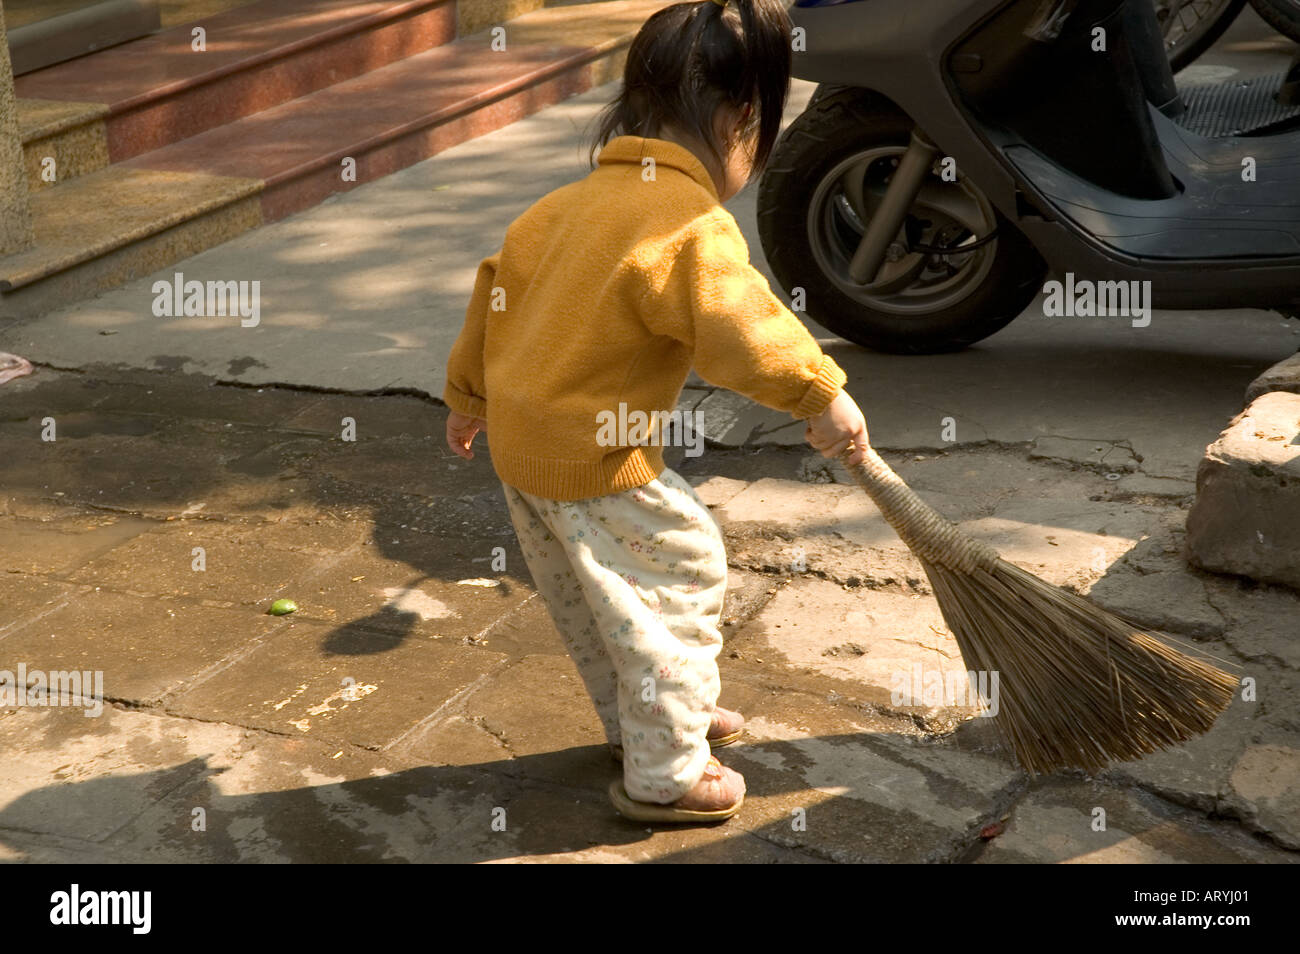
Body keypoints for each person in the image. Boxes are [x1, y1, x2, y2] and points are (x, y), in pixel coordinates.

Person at [443, 0, 869, 823]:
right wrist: (821, 394)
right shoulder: (688, 226)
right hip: (597, 458)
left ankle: (649, 721)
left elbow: (491, 297)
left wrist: (467, 400)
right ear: (741, 117)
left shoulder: (553, 211)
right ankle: (666, 771)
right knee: (681, 573)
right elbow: (742, 330)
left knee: (597, 596)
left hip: (522, 451)